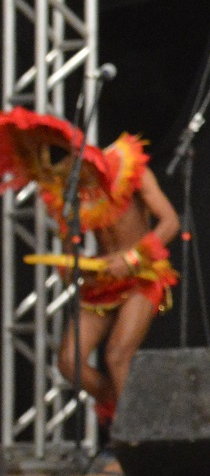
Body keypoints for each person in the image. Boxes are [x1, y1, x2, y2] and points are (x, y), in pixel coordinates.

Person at [0, 110, 180, 429]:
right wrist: (77, 269)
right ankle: (133, 414)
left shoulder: (128, 168)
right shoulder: (68, 196)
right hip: (102, 281)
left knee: (116, 356)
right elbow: (72, 257)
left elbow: (170, 222)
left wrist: (132, 260)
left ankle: (130, 443)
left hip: (141, 276)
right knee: (70, 362)